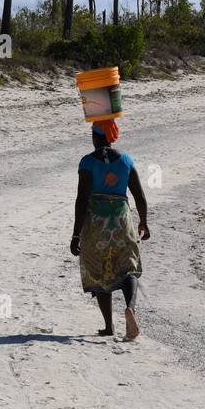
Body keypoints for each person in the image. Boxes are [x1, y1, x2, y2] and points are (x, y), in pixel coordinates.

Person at [70, 121, 149, 339]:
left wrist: (76, 233)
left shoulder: (87, 162)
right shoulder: (126, 160)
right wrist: (143, 222)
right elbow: (140, 196)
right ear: (112, 136)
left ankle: (108, 325)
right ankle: (130, 308)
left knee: (98, 270)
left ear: (96, 137)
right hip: (122, 221)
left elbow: (82, 199)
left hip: (97, 223)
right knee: (128, 267)